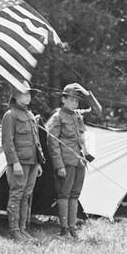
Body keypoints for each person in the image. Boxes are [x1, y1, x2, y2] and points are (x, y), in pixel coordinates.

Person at [45, 83, 97, 239]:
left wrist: (88, 95)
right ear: (63, 99)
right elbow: (52, 143)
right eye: (72, 99)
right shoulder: (57, 117)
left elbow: (98, 112)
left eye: (77, 101)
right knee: (64, 195)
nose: (75, 103)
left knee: (75, 195)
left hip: (79, 161)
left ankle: (73, 228)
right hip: (66, 161)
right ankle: (64, 229)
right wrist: (59, 165)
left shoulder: (77, 115)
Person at [1, 86, 45, 243]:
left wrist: (38, 162)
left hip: (32, 162)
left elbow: (36, 141)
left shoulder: (30, 115)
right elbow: (7, 142)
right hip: (19, 162)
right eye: (24, 94)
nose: (28, 97)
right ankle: (14, 231)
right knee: (17, 194)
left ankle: (23, 230)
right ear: (15, 96)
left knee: (26, 195)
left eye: (29, 95)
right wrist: (15, 163)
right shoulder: (10, 115)